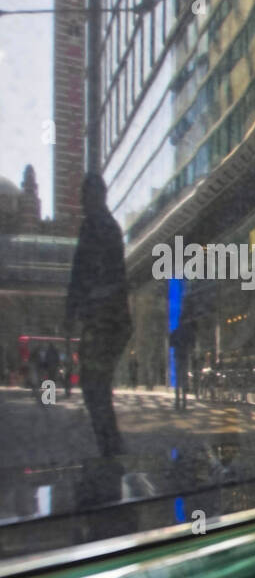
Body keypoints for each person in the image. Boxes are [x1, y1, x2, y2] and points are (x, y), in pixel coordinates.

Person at [66, 173, 131, 456]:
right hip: (109, 319)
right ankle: (110, 448)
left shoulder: (96, 226)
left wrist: (74, 309)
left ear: (96, 196)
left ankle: (111, 450)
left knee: (94, 386)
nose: (81, 202)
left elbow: (81, 274)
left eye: (85, 195)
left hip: (104, 319)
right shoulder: (106, 226)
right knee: (97, 387)